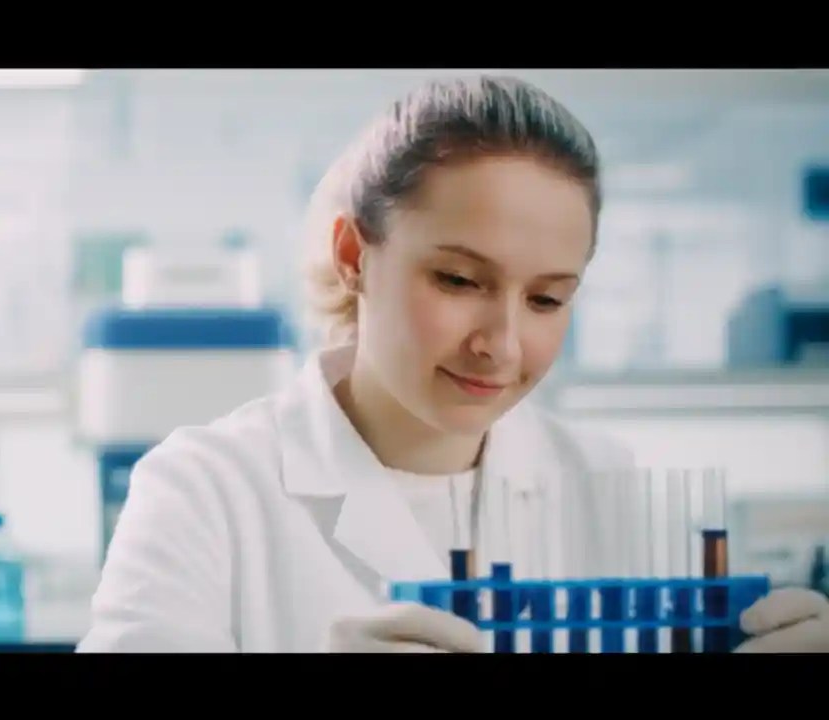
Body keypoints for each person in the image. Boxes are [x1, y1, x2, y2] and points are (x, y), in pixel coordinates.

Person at [75, 75, 829, 653]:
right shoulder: (204, 493)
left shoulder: (613, 490)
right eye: (460, 281)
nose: (503, 345)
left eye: (546, 299)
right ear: (353, 256)